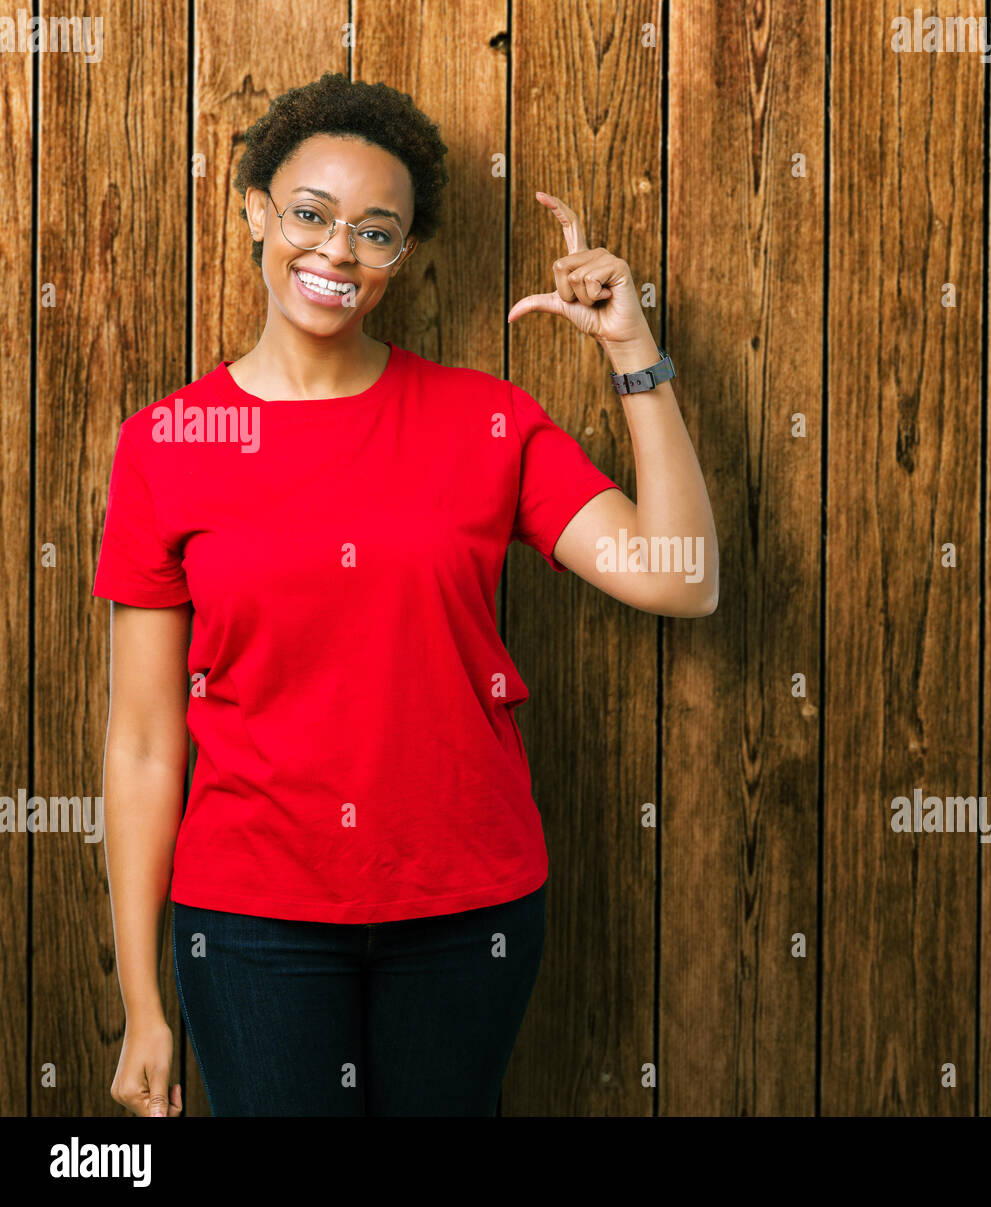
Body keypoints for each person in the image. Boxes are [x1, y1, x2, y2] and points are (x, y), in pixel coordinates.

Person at [97, 72, 718, 1118]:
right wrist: (143, 1005)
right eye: (310, 215)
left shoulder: (484, 422)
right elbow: (145, 743)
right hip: (252, 916)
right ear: (256, 211)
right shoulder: (168, 443)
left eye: (375, 231)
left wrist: (631, 347)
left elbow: (681, 579)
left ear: (405, 252)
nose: (338, 252)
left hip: (465, 906)